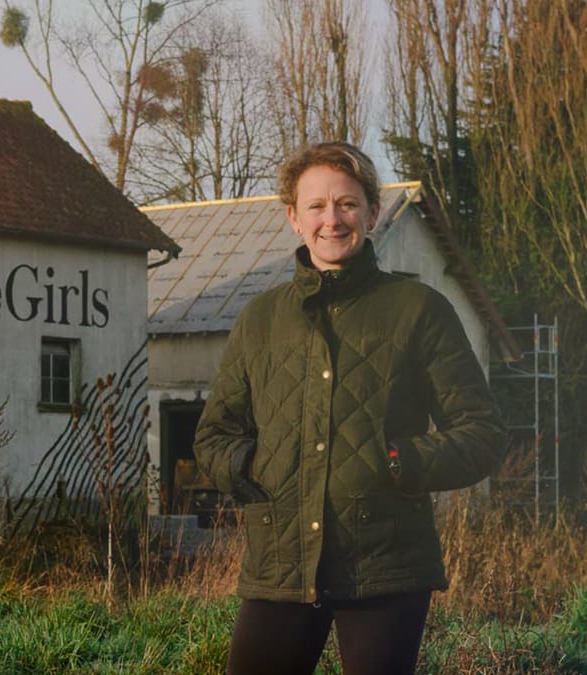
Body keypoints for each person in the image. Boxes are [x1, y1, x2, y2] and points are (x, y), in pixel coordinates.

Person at [193, 141, 507, 674]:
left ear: (372, 212)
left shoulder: (418, 310)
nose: (331, 220)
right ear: (293, 217)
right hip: (280, 566)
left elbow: (482, 433)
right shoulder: (260, 320)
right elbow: (212, 438)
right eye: (316, 206)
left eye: (347, 203)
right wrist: (254, 467)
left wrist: (399, 462)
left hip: (385, 566)